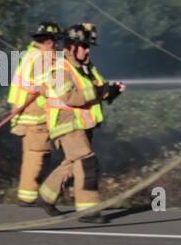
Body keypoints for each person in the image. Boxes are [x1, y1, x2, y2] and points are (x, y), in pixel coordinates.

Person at [36, 25, 124, 224]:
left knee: (71, 163)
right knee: (87, 161)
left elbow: (98, 89)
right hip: (66, 124)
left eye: (88, 46)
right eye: (83, 46)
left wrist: (112, 90)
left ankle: (46, 196)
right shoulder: (57, 69)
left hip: (82, 123)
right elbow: (71, 97)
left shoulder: (87, 67)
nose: (87, 50)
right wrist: (100, 92)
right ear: (70, 47)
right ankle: (88, 209)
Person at [7, 22, 61, 206]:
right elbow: (47, 86)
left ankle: (27, 195)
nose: (57, 46)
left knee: (33, 155)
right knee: (37, 156)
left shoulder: (32, 55)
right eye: (56, 41)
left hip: (27, 114)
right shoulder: (43, 58)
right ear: (49, 42)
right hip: (36, 115)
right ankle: (28, 197)